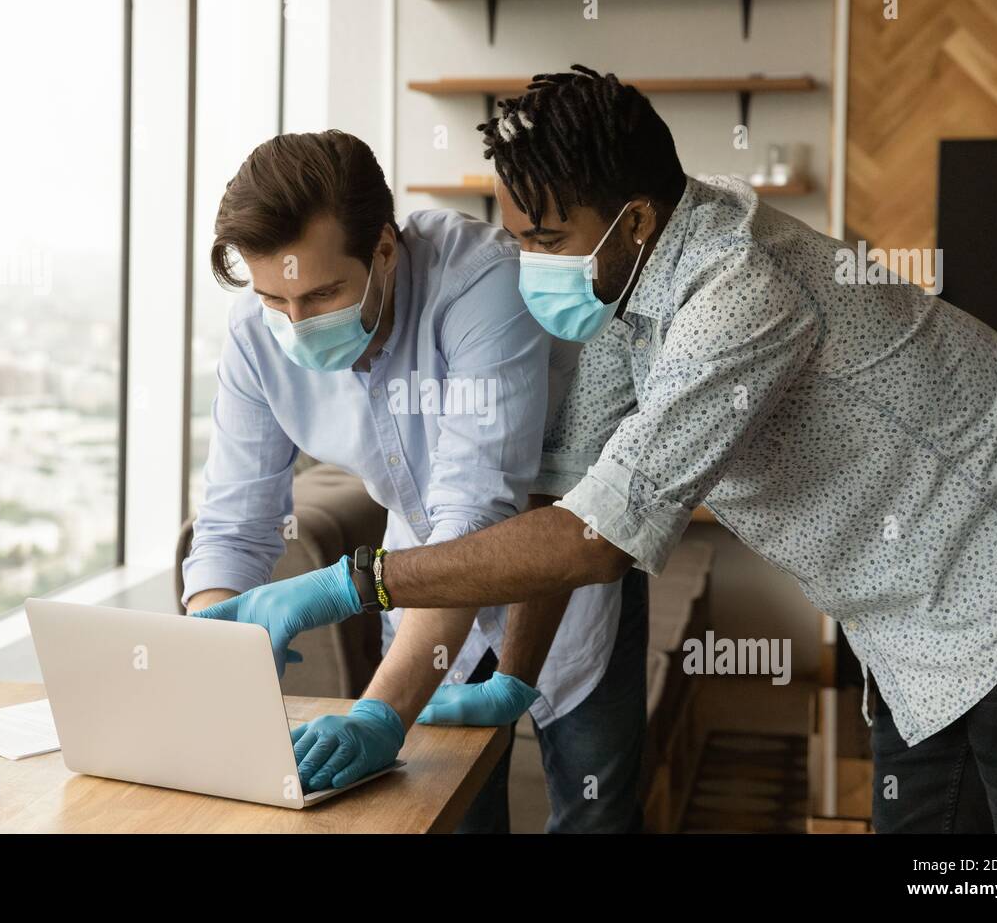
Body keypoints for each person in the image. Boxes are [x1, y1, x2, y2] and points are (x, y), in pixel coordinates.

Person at [206, 67, 997, 833]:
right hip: (915, 627)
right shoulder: (622, 300)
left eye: (545, 241)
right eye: (515, 236)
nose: (524, 265)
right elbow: (567, 496)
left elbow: (599, 540)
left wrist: (355, 582)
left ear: (631, 222)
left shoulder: (739, 290)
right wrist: (514, 677)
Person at [183, 129, 648, 832]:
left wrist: (380, 714)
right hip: (421, 601)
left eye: (322, 294)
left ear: (385, 249)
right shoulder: (256, 330)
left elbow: (476, 515)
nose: (297, 326)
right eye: (276, 301)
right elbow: (232, 524)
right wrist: (214, 649)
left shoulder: (481, 281)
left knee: (596, 818)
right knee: (449, 820)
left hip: (564, 586)